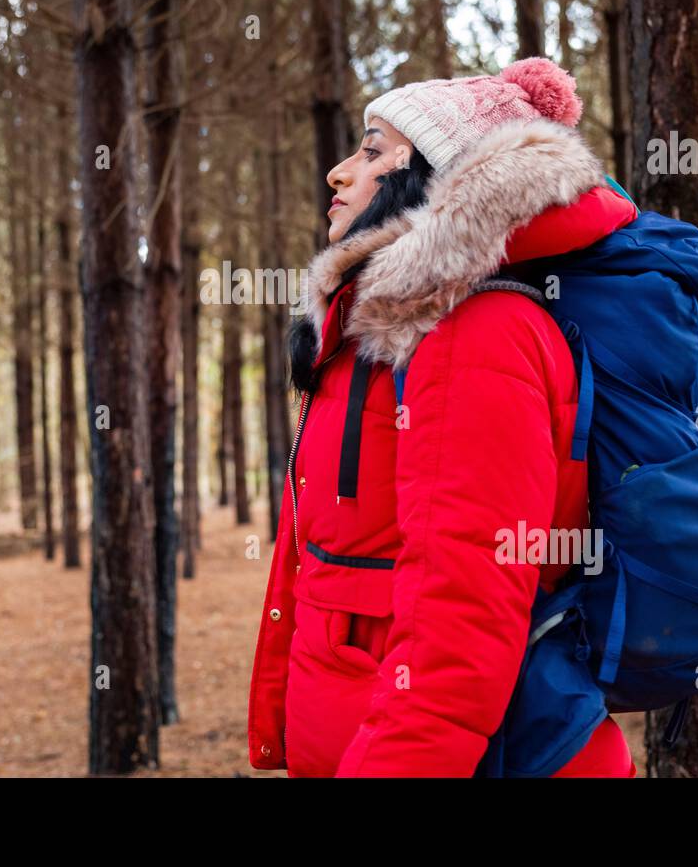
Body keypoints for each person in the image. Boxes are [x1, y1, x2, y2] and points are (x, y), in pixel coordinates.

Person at [247, 57, 638, 778]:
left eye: (370, 151)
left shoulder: (473, 334)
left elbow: (464, 612)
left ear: (436, 181)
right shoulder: (380, 336)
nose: (338, 172)